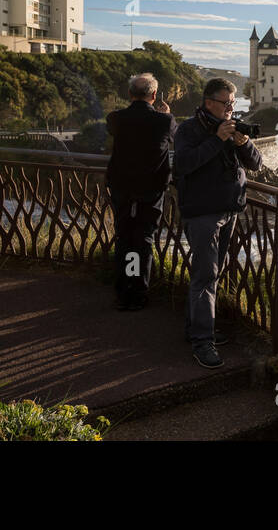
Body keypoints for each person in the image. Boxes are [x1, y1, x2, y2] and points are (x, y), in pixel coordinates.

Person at [173, 77, 262, 369]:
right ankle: (202, 342)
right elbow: (184, 165)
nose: (230, 108)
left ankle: (195, 329)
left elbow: (256, 164)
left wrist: (244, 143)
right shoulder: (189, 129)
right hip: (202, 213)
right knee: (205, 275)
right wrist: (217, 140)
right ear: (208, 102)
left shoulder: (231, 127)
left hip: (229, 211)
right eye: (226, 103)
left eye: (233, 103)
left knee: (212, 271)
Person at [105, 73, 177, 311]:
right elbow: (173, 136)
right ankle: (138, 291)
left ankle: (124, 291)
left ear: (129, 94)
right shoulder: (164, 121)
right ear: (154, 95)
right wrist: (165, 114)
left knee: (125, 236)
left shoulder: (115, 118)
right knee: (143, 238)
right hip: (151, 188)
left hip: (121, 186)